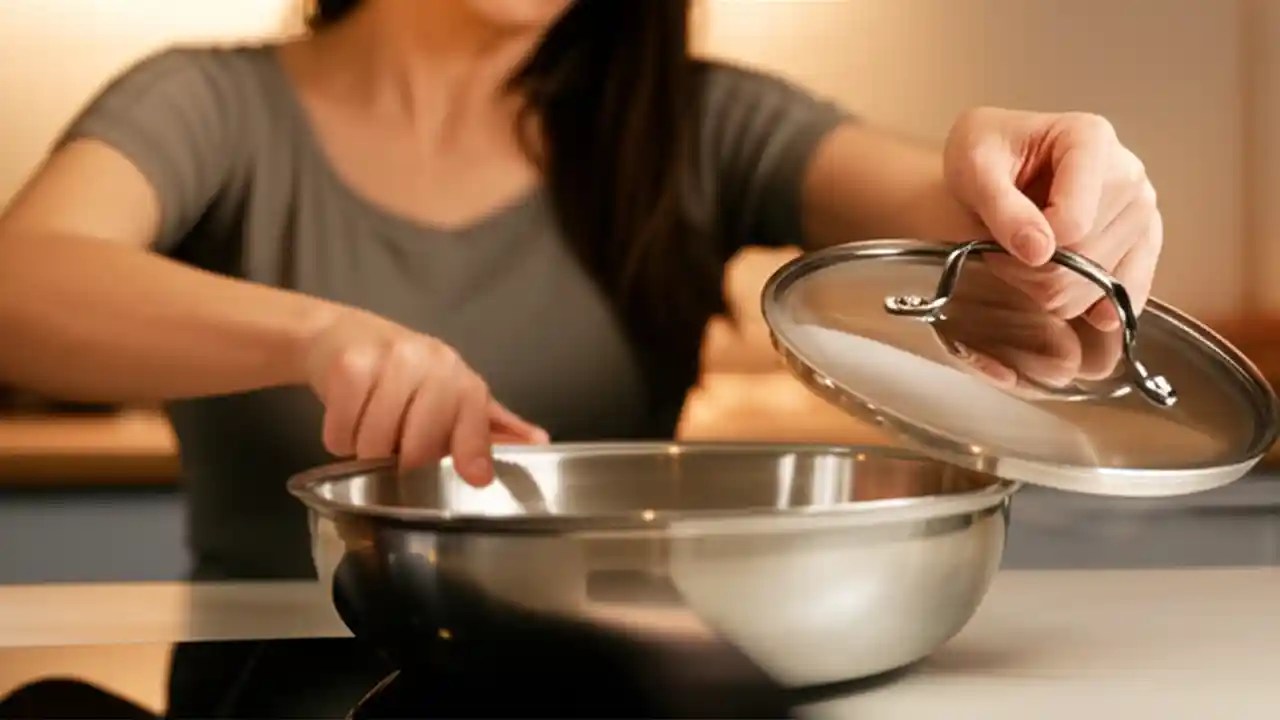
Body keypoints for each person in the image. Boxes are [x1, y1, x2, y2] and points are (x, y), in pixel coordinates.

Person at [0, 0, 1162, 714]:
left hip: (633, 692)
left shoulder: (695, 120)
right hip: (269, 692)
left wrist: (1031, 217)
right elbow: (23, 284)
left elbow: (947, 226)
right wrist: (322, 332)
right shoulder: (209, 104)